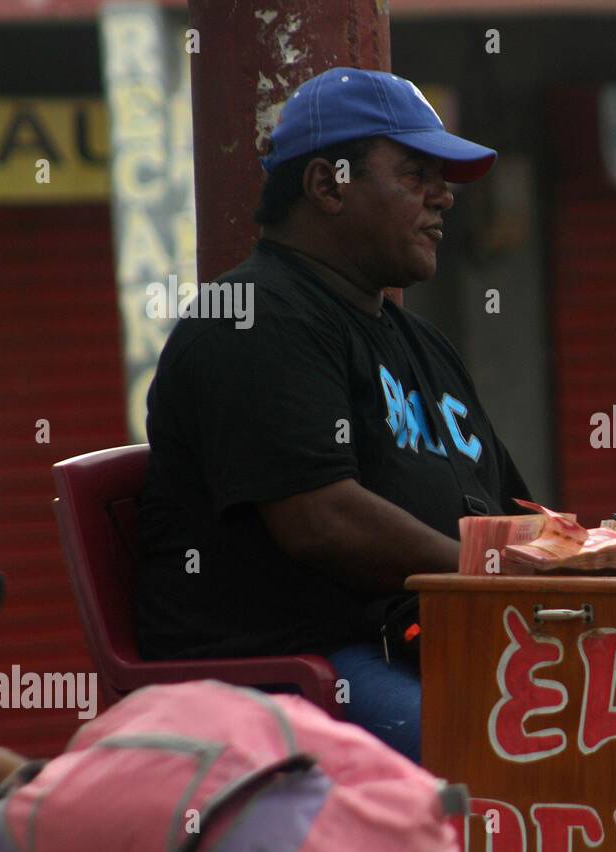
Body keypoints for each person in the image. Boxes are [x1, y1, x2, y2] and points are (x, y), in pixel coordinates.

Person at [134, 68, 532, 762]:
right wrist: (489, 570)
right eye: (415, 174)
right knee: (508, 754)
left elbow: (510, 504)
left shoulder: (416, 341)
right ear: (327, 185)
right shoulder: (255, 320)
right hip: (296, 668)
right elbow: (320, 521)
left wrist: (600, 558)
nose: (443, 198)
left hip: (422, 642)